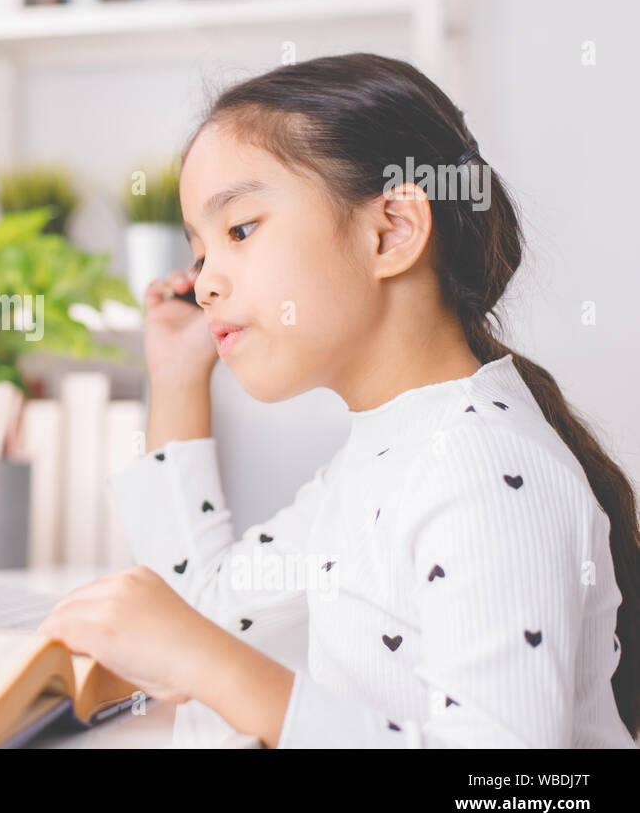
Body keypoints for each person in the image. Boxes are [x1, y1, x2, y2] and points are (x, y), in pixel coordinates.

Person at [36, 52, 639, 748]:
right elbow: (208, 606)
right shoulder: (383, 458)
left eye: (238, 230)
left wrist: (207, 664)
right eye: (199, 252)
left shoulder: (483, 471)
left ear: (392, 232)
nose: (204, 283)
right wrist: (176, 377)